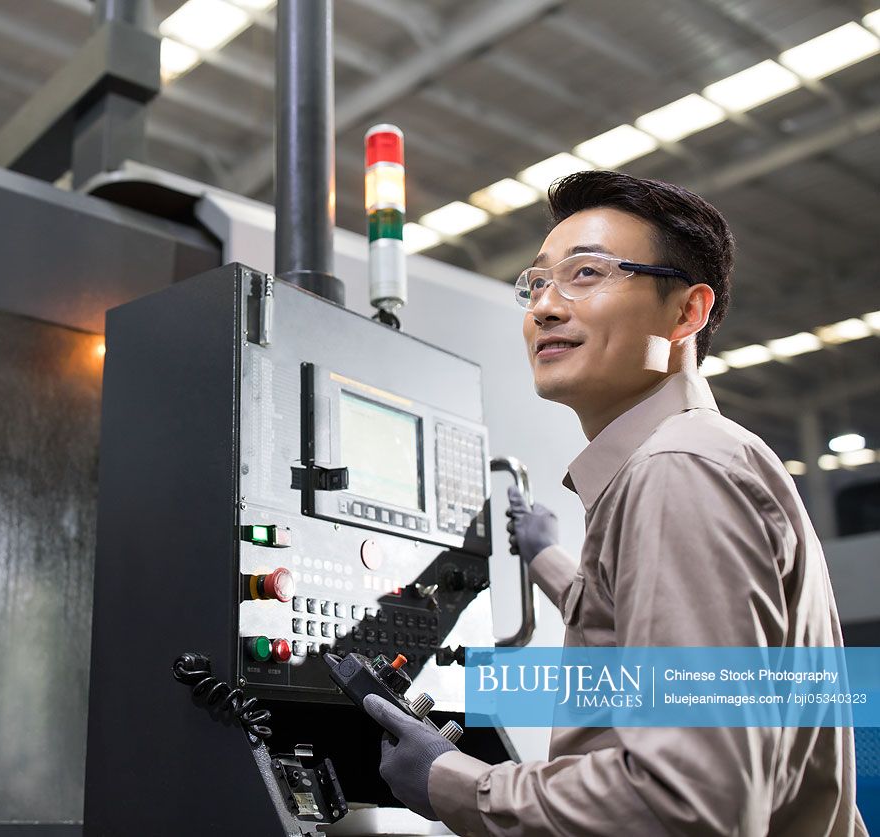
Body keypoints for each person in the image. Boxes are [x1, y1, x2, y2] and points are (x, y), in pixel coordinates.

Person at [363, 170, 867, 836]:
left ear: (685, 312)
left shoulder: (678, 470)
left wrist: (454, 781)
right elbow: (634, 628)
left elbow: (686, 801)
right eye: (537, 282)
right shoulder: (698, 457)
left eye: (586, 273)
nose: (544, 305)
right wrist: (545, 557)